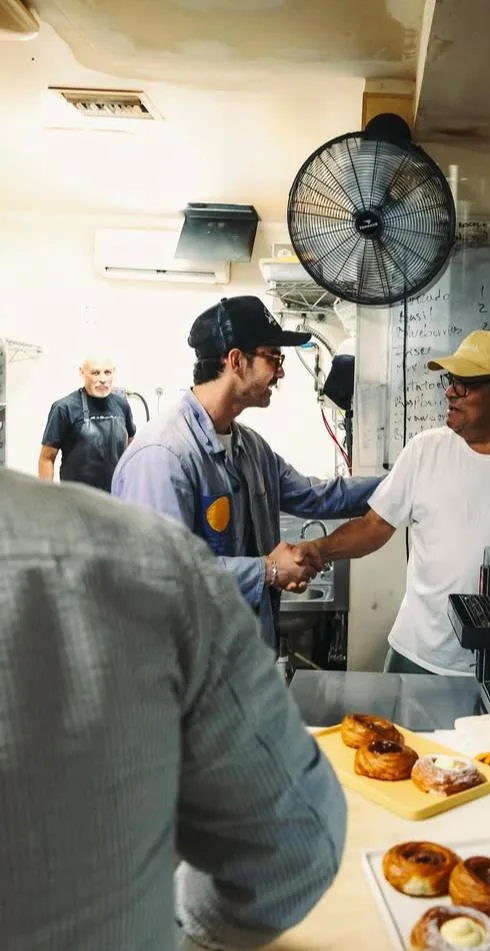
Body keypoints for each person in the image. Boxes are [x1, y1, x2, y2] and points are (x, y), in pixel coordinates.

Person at [0, 466, 346, 950]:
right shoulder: (142, 546)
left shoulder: (250, 452)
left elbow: (316, 494)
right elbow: (292, 850)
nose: (281, 382)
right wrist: (174, 920)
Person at [112, 295, 381, 648]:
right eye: (274, 358)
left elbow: (316, 496)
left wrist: (407, 481)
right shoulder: (162, 456)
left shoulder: (250, 448)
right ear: (236, 361)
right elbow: (161, 576)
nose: (281, 371)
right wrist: (268, 570)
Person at [295, 330, 490, 675]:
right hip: (418, 653)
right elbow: (374, 527)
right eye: (451, 380)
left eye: (466, 384)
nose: (449, 392)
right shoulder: (425, 450)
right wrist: (316, 551)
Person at [38, 353, 136, 491]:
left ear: (114, 372)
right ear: (82, 373)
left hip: (116, 498)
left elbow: (131, 447)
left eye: (107, 372)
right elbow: (46, 458)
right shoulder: (64, 408)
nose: (102, 379)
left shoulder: (122, 405)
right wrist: (47, 496)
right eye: (95, 373)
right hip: (77, 501)